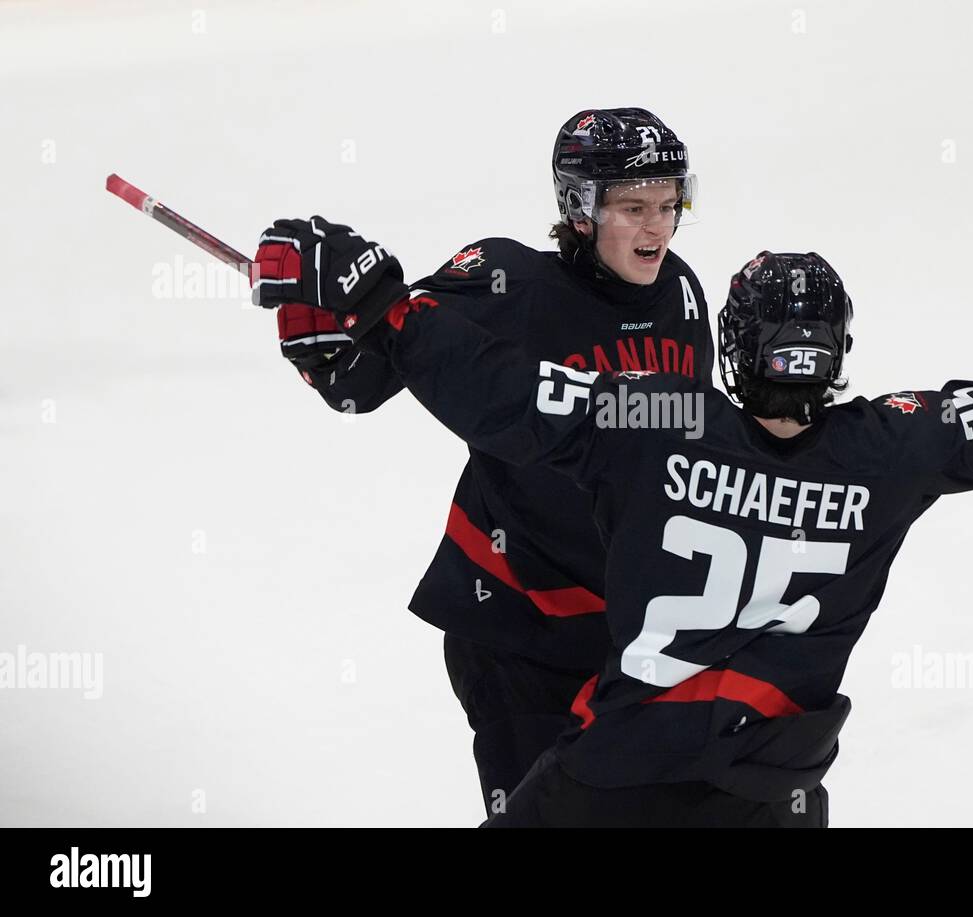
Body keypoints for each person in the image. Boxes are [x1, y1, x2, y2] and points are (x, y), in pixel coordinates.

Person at [252, 221, 973, 826]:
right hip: (776, 789)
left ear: (729, 346)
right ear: (838, 354)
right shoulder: (891, 446)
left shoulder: (657, 420)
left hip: (614, 782)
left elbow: (508, 396)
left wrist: (391, 310)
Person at [257, 108, 714, 815]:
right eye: (633, 206)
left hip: (627, 635)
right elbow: (363, 378)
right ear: (580, 209)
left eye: (668, 203)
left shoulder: (681, 293)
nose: (657, 226)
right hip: (516, 633)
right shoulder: (507, 280)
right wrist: (316, 325)